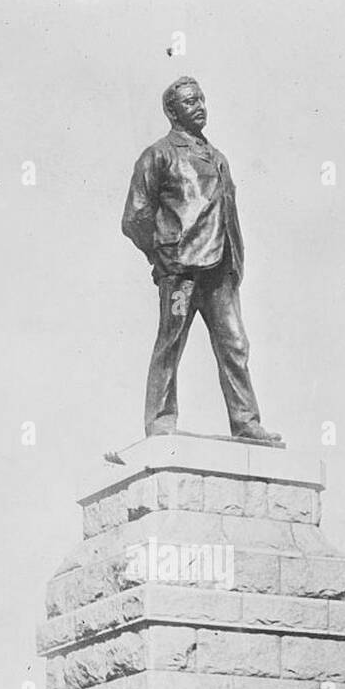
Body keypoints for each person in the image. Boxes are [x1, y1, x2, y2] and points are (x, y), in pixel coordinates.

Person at [122, 77, 281, 443]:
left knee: (235, 344)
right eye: (190, 101)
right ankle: (160, 422)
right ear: (172, 111)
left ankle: (246, 423)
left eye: (202, 99)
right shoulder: (158, 154)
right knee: (171, 341)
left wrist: (235, 261)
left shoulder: (219, 158)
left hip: (220, 268)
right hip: (181, 269)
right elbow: (134, 216)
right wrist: (161, 253)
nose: (199, 106)